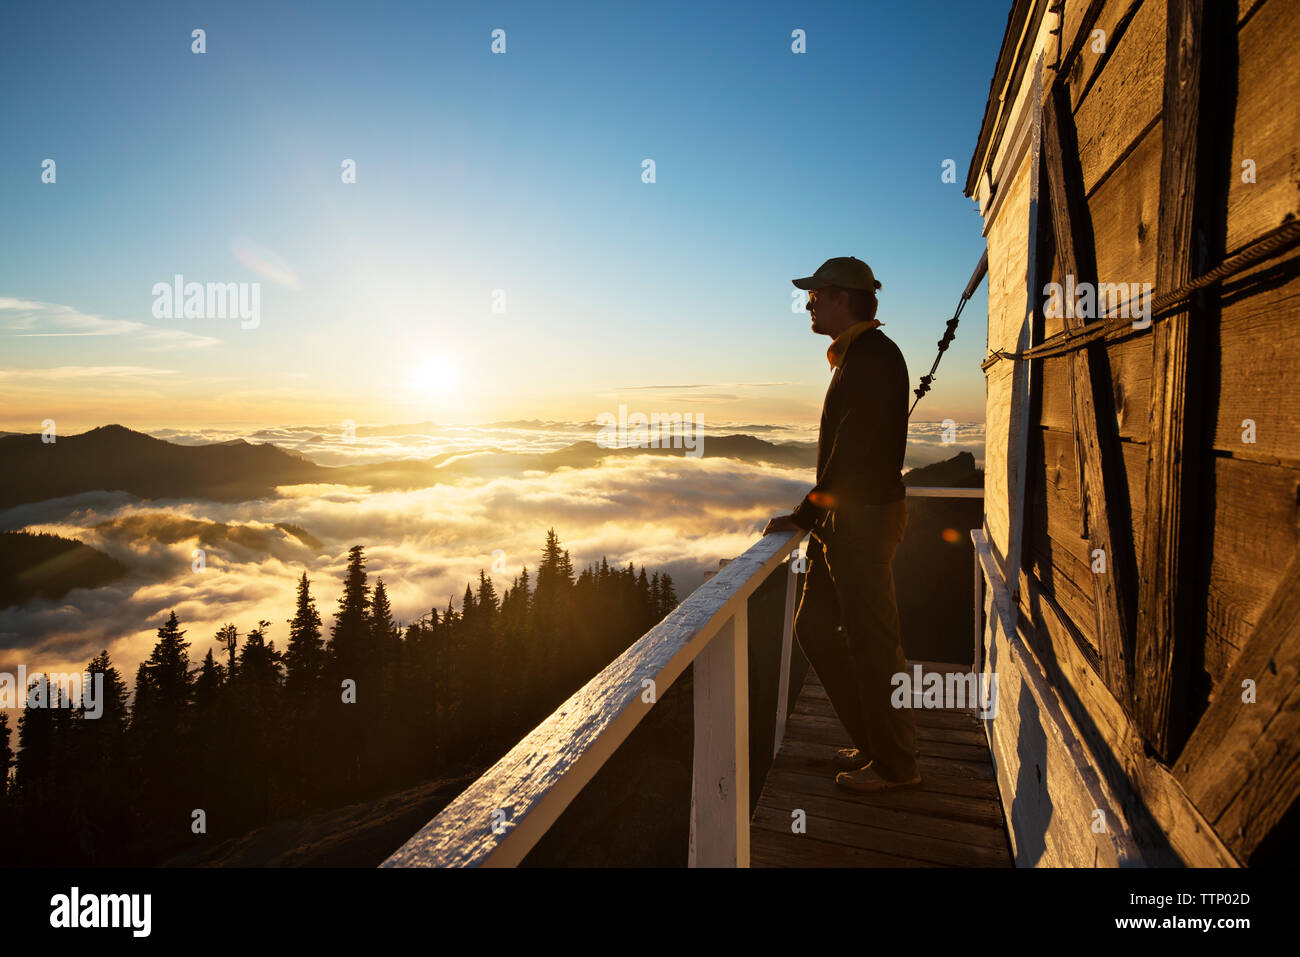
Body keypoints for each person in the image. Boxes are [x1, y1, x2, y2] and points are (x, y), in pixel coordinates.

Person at [763, 256, 921, 793]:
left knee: (874, 644)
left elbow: (851, 453)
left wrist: (805, 514)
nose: (808, 302)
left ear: (843, 298)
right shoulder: (859, 357)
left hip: (864, 521)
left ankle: (898, 766)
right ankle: (876, 745)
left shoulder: (872, 358)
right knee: (815, 629)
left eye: (817, 294)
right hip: (848, 522)